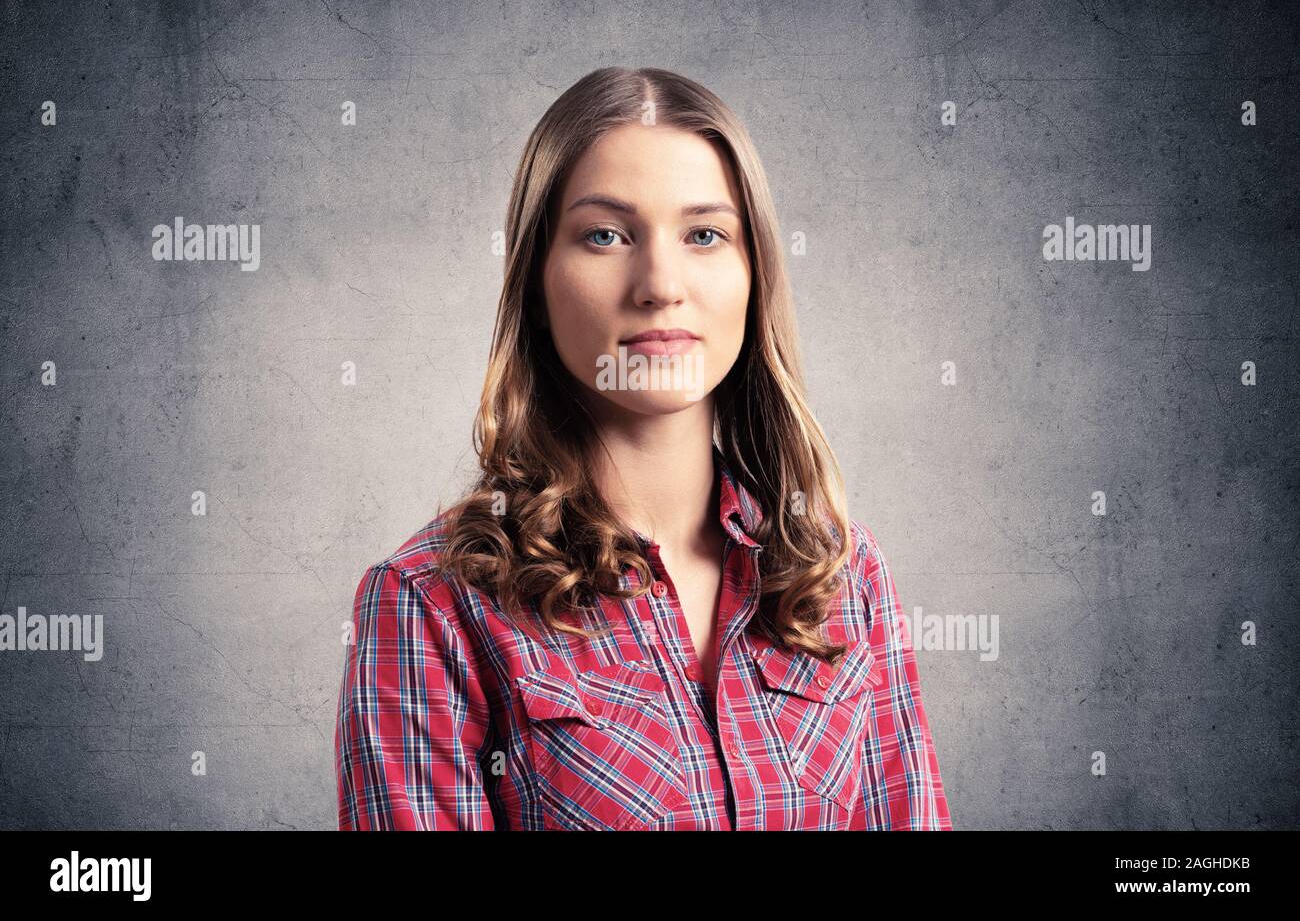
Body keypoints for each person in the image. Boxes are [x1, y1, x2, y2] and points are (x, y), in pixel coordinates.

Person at [334, 66, 952, 830]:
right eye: (605, 235)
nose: (660, 283)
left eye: (704, 235)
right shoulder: (430, 603)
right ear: (536, 281)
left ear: (754, 274)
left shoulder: (841, 575)